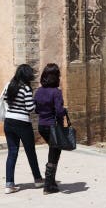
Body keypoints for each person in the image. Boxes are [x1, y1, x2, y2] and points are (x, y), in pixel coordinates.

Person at [2, 64, 43, 194]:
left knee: (12, 152)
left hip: (8, 121)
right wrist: (36, 103)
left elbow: (4, 99)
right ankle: (38, 180)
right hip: (22, 123)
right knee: (30, 152)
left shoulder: (10, 85)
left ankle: (9, 184)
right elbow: (30, 108)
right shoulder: (25, 88)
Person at [34, 63, 68, 194]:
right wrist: (63, 111)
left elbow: (36, 109)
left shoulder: (39, 91)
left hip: (42, 126)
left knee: (53, 151)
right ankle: (48, 186)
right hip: (53, 126)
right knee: (54, 153)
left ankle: (51, 182)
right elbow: (59, 112)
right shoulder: (56, 92)